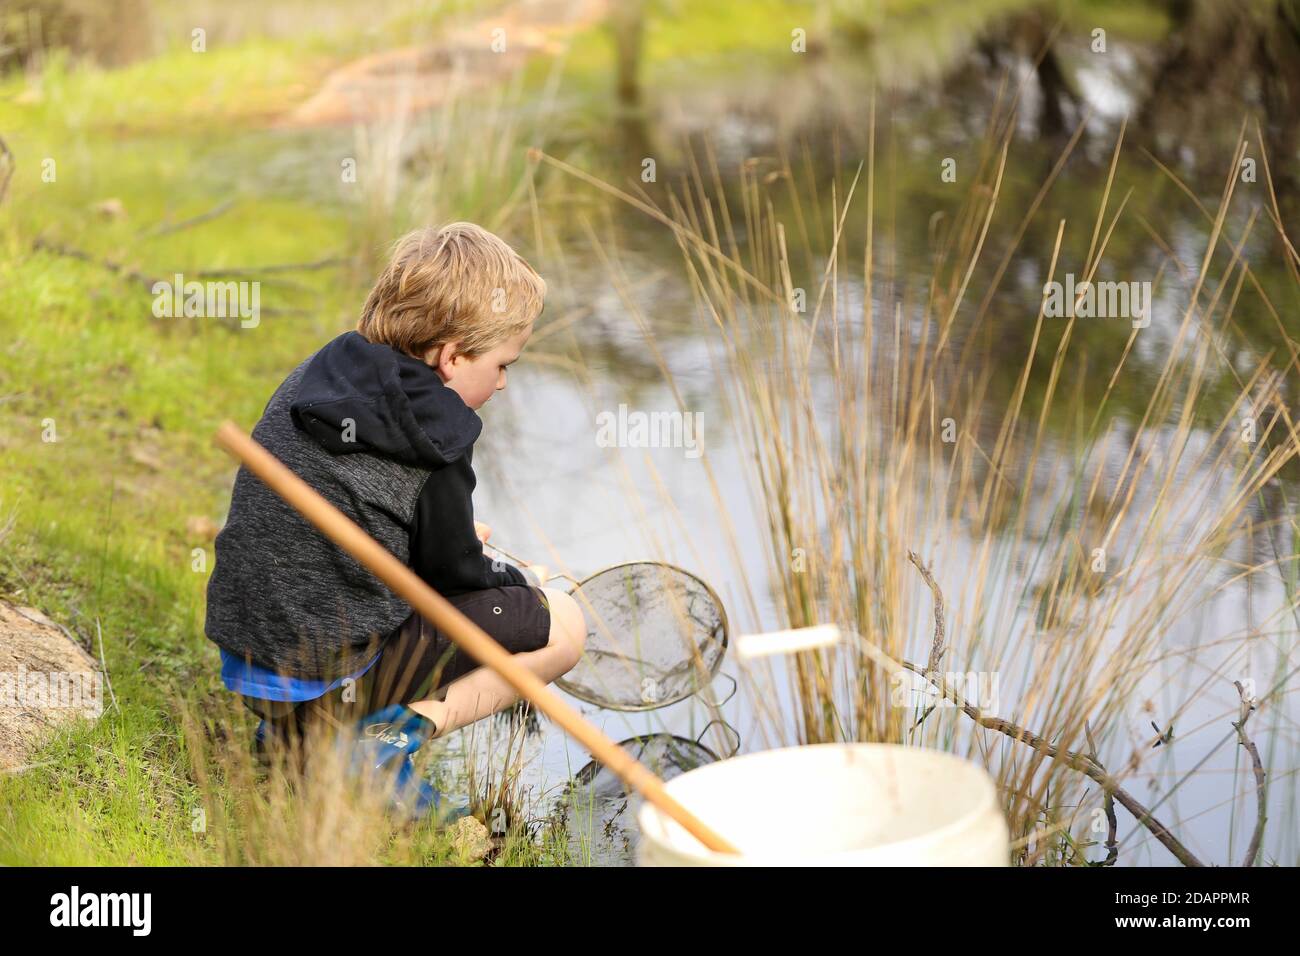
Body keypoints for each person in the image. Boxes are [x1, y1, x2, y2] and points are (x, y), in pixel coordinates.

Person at [204, 222, 587, 793]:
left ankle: (294, 738)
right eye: (504, 364)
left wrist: (454, 539)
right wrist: (515, 577)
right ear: (454, 357)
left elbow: (357, 519)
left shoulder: (322, 371)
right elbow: (451, 574)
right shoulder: (437, 436)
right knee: (564, 625)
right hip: (329, 674)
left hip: (249, 662)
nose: (504, 383)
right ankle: (384, 741)